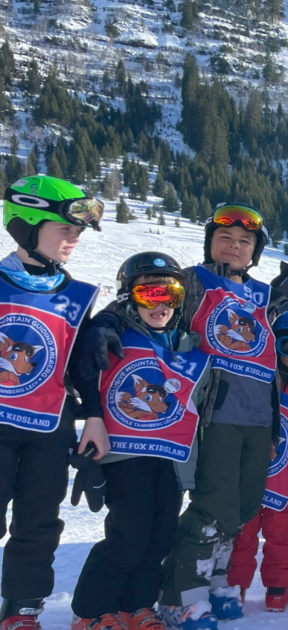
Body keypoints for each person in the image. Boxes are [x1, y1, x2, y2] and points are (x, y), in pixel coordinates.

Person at [80, 203, 278, 629]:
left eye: (245, 241)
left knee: (241, 509)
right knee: (213, 506)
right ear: (210, 241)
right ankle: (178, 595)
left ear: (255, 251)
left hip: (259, 418)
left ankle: (212, 581)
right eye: (225, 237)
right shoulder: (190, 280)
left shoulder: (265, 295)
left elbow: (276, 356)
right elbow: (139, 298)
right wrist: (104, 325)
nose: (234, 246)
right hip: (209, 415)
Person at [68, 253, 210, 630]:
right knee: (128, 536)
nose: (160, 304)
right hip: (125, 454)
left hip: (172, 456)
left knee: (160, 537)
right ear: (129, 296)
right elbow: (86, 370)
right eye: (148, 294)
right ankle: (94, 610)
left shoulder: (187, 343)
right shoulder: (113, 335)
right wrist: (106, 320)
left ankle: (137, 605)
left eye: (170, 294)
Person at [0, 176, 102, 630]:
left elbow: (83, 370)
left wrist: (95, 418)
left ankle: (23, 606)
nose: (74, 239)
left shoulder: (76, 296)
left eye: (77, 232)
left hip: (47, 429)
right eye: (66, 229)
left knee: (39, 522)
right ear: (25, 226)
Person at [228, 309, 288, 613]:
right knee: (243, 534)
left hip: (284, 481)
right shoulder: (261, 380)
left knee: (281, 535)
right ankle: (236, 585)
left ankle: (277, 586)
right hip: (249, 474)